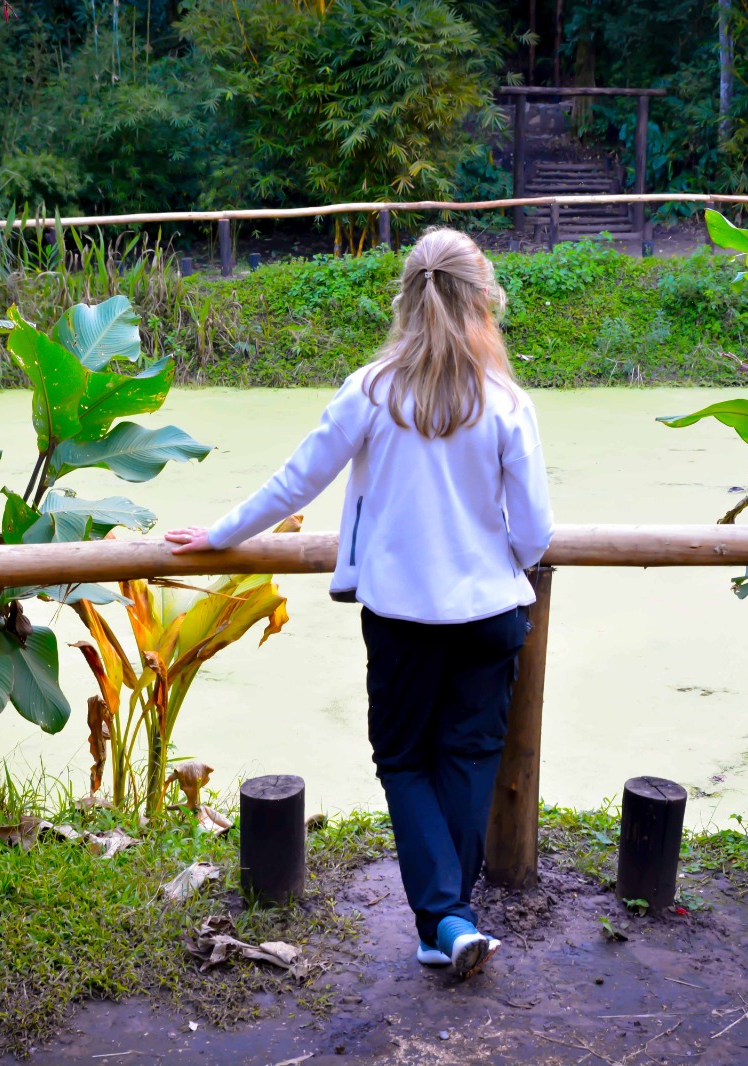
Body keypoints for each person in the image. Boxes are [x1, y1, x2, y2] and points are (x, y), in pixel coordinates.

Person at [164, 227, 554, 979]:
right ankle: (449, 920)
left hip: (404, 621)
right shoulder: (508, 402)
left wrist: (217, 533)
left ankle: (446, 918)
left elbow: (294, 483)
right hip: (491, 616)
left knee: (404, 761)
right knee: (469, 758)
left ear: (406, 298)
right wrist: (492, 554)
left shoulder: (372, 391)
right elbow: (534, 536)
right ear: (483, 303)